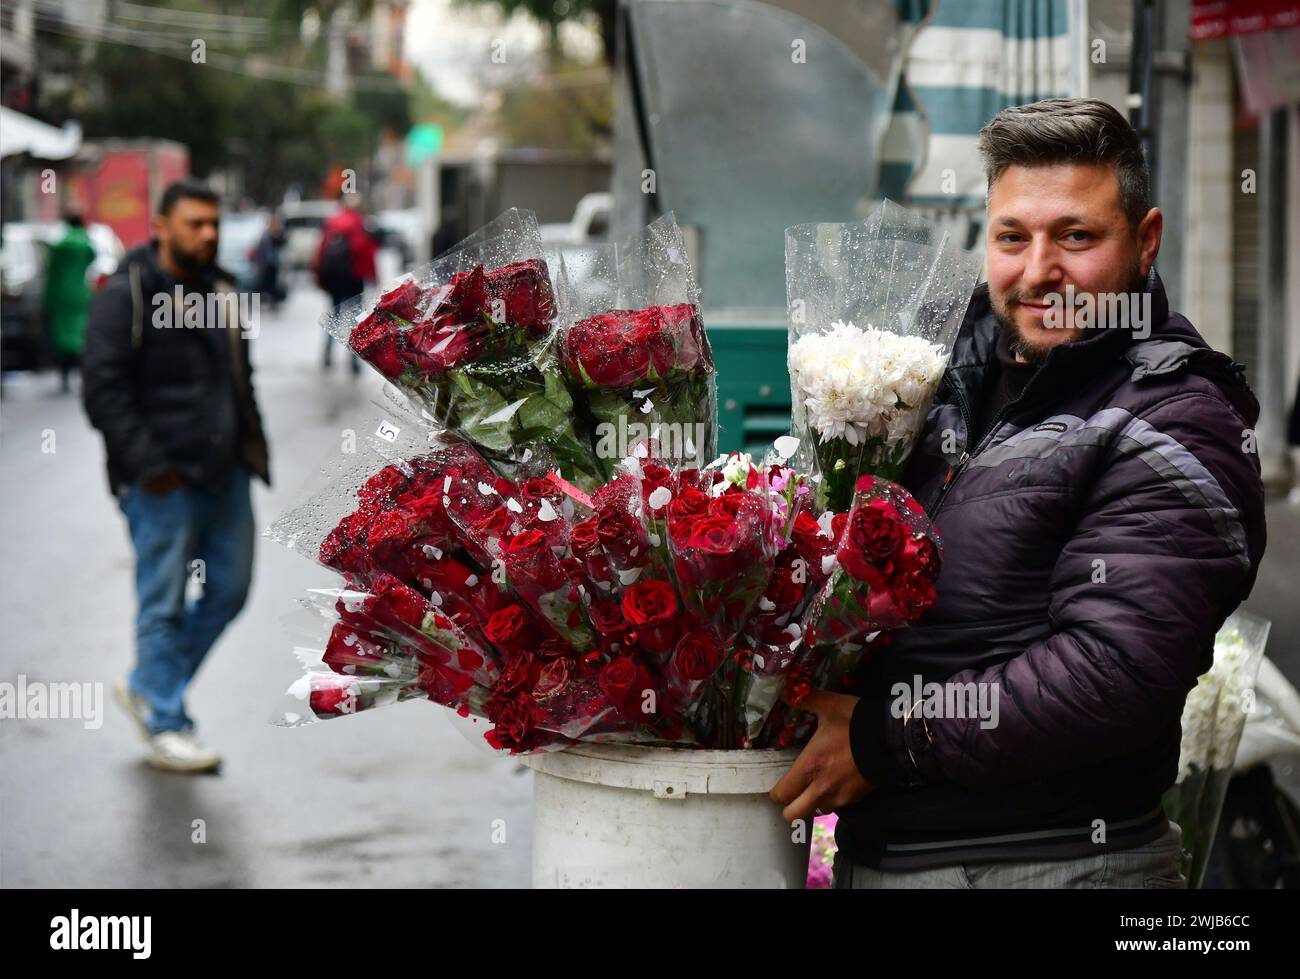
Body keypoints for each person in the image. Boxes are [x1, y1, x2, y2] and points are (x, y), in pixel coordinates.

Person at [771, 98, 1268, 888]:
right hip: (883, 856)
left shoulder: (1176, 416)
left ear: (1145, 241)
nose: (1040, 271)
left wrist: (884, 738)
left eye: (1076, 236)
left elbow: (1113, 671)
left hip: (1053, 865)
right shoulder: (933, 378)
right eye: (1013, 237)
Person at [82, 180, 271, 773]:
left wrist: (252, 449)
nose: (208, 234)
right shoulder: (127, 295)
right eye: (194, 223)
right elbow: (103, 393)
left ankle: (147, 685)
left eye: (214, 223)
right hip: (161, 481)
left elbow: (240, 380)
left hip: (226, 473)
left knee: (230, 591)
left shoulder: (222, 289)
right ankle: (166, 720)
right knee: (162, 603)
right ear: (161, 227)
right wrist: (150, 468)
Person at [312, 192, 377, 374]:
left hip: (334, 279)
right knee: (356, 319)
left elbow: (320, 250)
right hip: (354, 278)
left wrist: (318, 275)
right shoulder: (359, 223)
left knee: (334, 315)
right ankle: (354, 359)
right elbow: (366, 251)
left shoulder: (332, 222)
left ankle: (327, 354)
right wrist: (372, 276)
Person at [44, 212, 97, 394]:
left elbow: (52, 272)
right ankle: (82, 371)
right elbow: (92, 258)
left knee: (62, 335)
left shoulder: (60, 246)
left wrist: (49, 298)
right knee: (80, 334)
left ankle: (65, 373)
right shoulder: (86, 244)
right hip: (80, 294)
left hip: (61, 294)